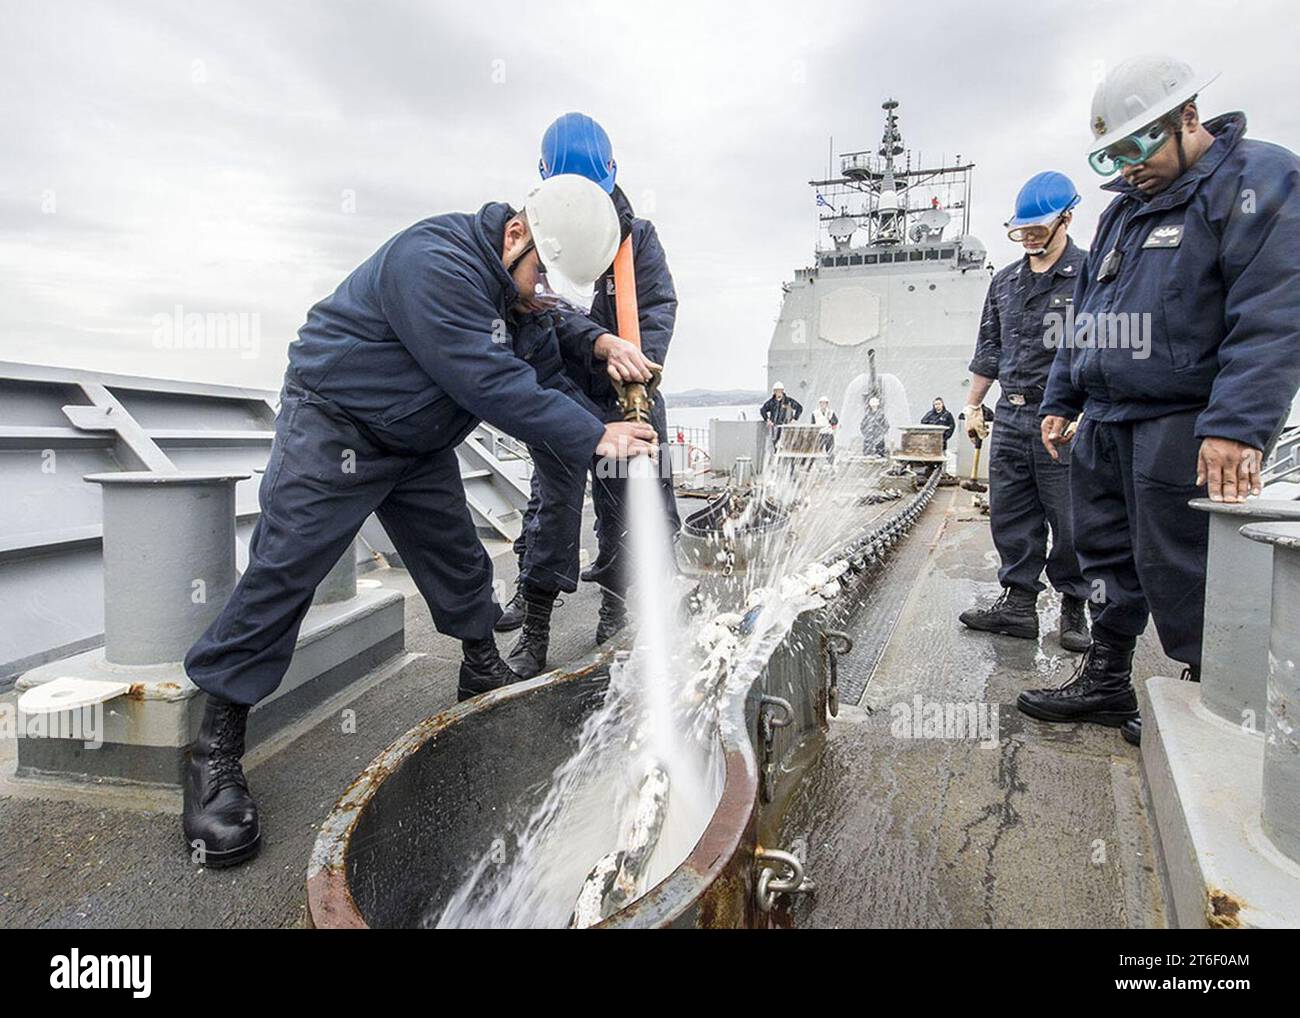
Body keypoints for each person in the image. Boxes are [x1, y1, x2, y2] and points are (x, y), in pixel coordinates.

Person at [179, 175, 658, 868]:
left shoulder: (520, 297)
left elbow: (545, 380)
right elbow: (483, 378)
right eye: (542, 277)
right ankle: (213, 745)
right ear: (516, 236)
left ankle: (480, 670)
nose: (545, 294)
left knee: (458, 562)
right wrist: (595, 437)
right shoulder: (433, 260)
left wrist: (609, 411)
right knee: (287, 570)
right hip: (337, 421)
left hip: (419, 436)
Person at [1020, 56, 1300, 746]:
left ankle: (1216, 695)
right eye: (1112, 154)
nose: (1126, 167)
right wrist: (1062, 396)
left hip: (1187, 420)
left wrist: (1237, 426)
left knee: (1185, 562)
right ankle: (1108, 680)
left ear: (1188, 117)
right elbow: (1086, 314)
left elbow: (1274, 311)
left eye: (1137, 147)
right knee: (1106, 556)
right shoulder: (1122, 213)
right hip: (1108, 420)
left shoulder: (1257, 181)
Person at [495, 113, 679, 672]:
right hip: (563, 392)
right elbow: (542, 317)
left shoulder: (637, 239)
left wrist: (636, 375)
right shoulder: (534, 235)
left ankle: (617, 610)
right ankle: (535, 625)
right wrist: (596, 346)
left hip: (629, 393)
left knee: (629, 504)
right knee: (552, 504)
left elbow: (657, 308)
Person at [958, 171, 1093, 653]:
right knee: (1012, 513)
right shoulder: (1005, 281)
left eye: (1038, 229)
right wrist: (973, 405)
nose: (1030, 238)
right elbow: (988, 348)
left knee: (1071, 518)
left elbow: (1102, 349)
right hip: (1011, 417)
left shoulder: (1093, 274)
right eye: (1022, 231)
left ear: (1066, 219)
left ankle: (1076, 606)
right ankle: (1018, 604)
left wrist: (1088, 408)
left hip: (1064, 420)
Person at [761, 382, 803, 448]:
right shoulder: (771, 402)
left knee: (787, 444)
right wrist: (767, 419)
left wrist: (794, 419)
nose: (778, 392)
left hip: (786, 427)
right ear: (774, 392)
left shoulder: (788, 401)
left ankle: (786, 456)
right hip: (775, 427)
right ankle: (776, 454)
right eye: (776, 391)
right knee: (775, 444)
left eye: (780, 390)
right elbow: (762, 410)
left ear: (783, 391)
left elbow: (799, 408)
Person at [808, 395, 839, 461]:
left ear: (827, 404)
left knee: (829, 451)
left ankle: (832, 464)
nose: (823, 405)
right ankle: (811, 465)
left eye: (824, 403)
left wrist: (830, 420)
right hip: (819, 434)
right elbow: (813, 424)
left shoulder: (831, 412)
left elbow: (835, 422)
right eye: (821, 403)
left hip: (828, 434)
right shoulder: (815, 413)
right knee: (816, 451)